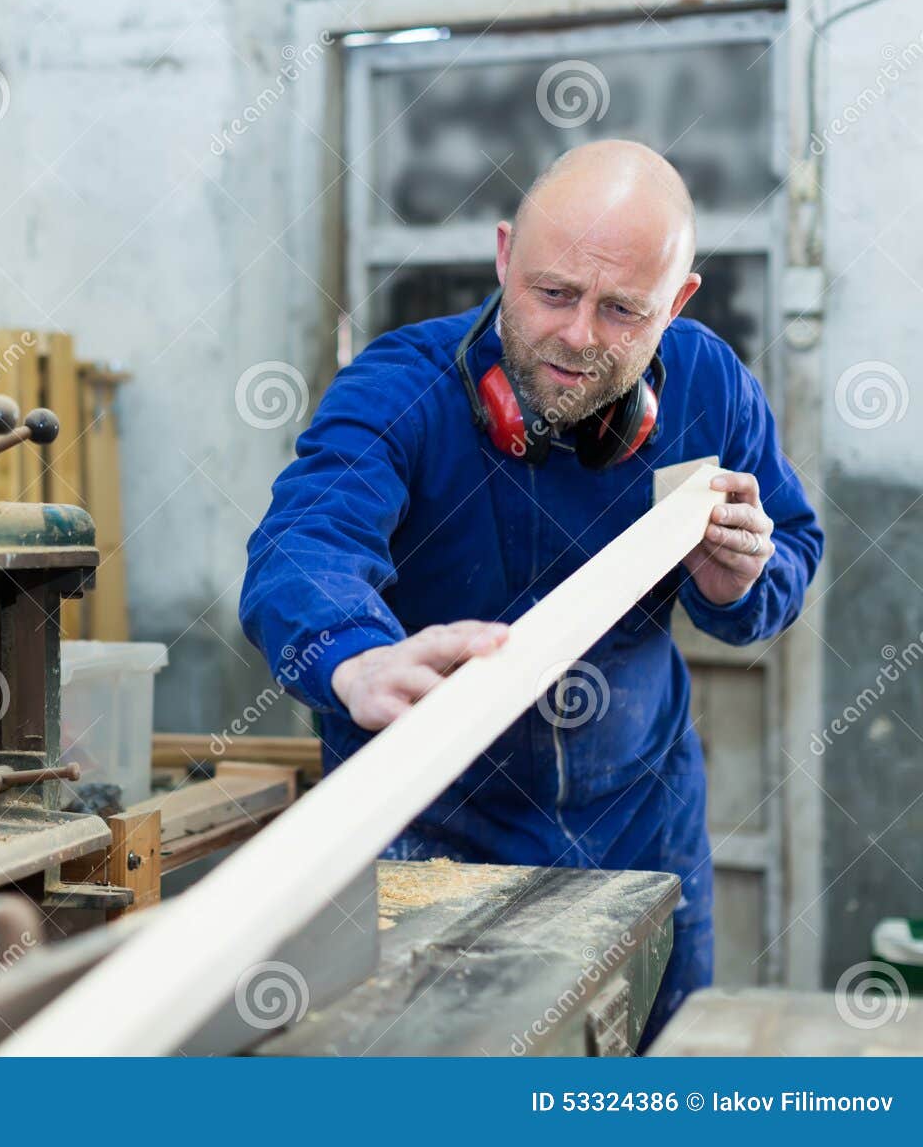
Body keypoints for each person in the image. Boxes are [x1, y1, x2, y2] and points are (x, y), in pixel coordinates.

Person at [238, 139, 823, 1044]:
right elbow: (303, 542)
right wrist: (353, 657)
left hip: (641, 820)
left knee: (642, 1076)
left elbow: (792, 543)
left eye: (623, 309)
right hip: (429, 827)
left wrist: (744, 580)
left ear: (678, 302)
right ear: (505, 257)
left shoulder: (709, 385)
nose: (579, 336)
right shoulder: (400, 387)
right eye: (553, 293)